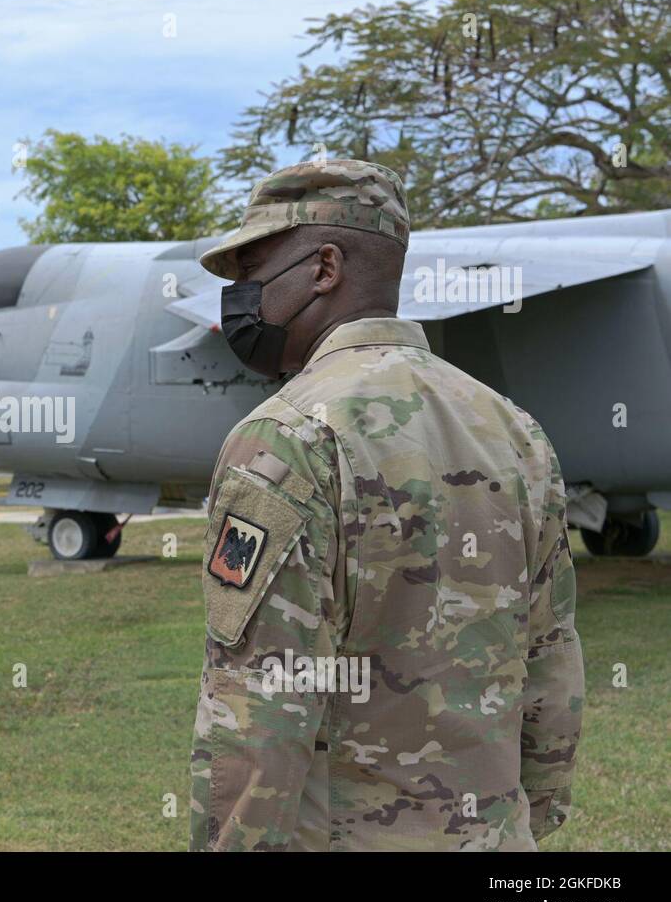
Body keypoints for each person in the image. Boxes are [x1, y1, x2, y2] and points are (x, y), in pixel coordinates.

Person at [189, 159, 584, 850]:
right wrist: (526, 819)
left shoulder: (286, 439)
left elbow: (261, 707)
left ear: (325, 267)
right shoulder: (514, 429)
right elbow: (552, 655)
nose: (241, 300)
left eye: (253, 274)